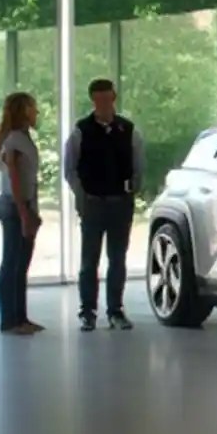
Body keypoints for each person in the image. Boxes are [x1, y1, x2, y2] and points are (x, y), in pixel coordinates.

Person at [64, 78, 145, 332]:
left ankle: (115, 311)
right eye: (99, 99)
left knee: (117, 258)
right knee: (89, 260)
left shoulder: (128, 130)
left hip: (120, 202)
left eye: (107, 98)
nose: (104, 103)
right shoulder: (81, 131)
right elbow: (70, 168)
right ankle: (88, 311)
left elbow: (138, 164)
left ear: (114, 98)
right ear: (93, 100)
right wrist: (81, 196)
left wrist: (132, 191)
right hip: (93, 203)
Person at [0, 92, 46, 335]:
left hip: (23, 205)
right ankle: (10, 320)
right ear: (23, 111)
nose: (36, 113)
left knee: (20, 264)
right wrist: (24, 213)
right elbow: (14, 179)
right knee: (13, 262)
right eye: (32, 108)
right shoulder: (14, 140)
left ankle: (20, 317)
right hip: (15, 206)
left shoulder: (22, 138)